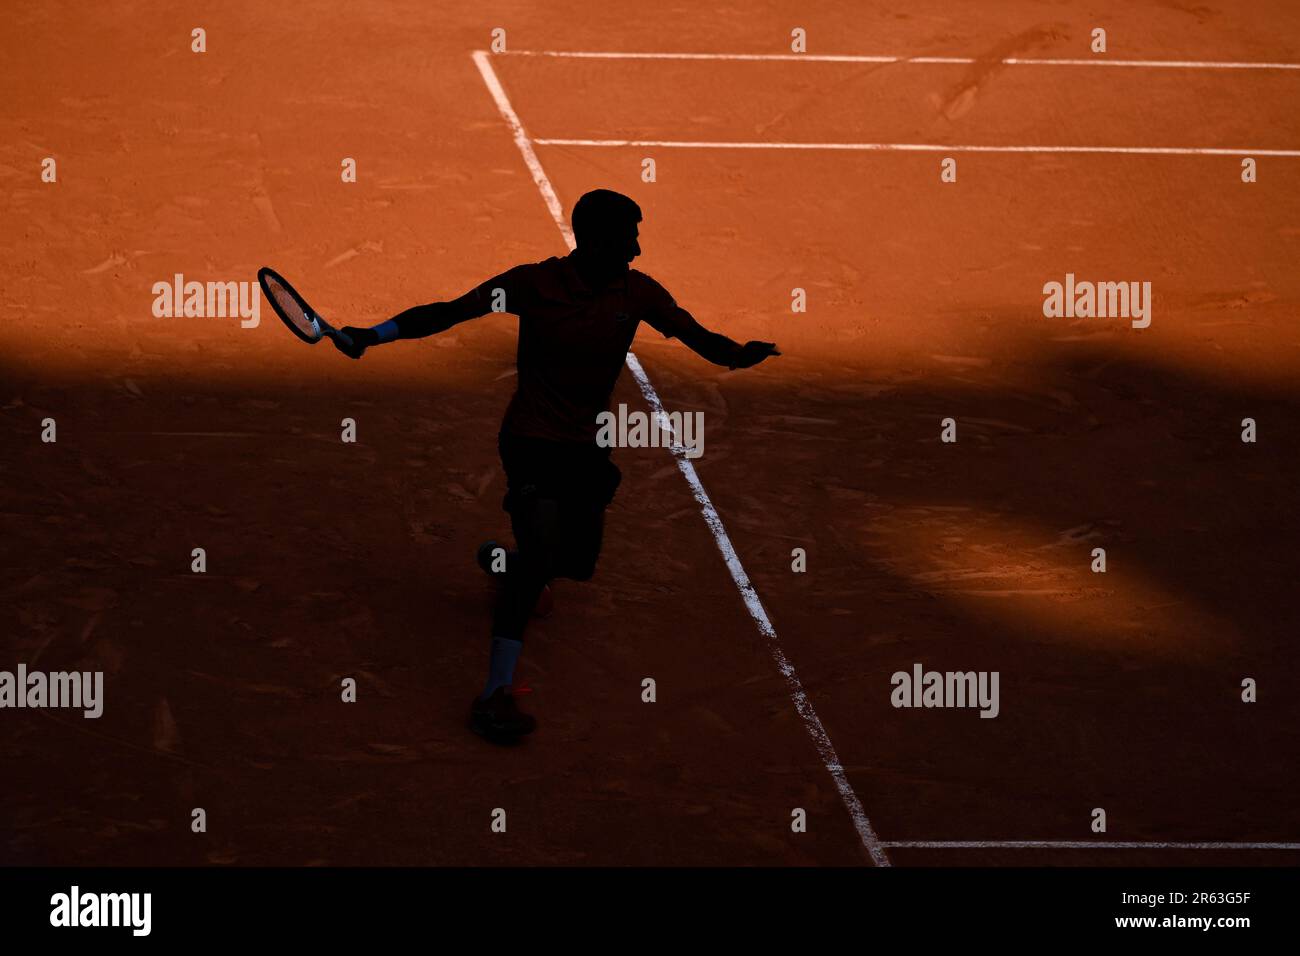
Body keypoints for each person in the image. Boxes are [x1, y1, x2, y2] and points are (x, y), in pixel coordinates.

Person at [335, 189, 779, 743]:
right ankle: (495, 693)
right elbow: (451, 311)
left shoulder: (636, 292)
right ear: (595, 242)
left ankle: (505, 565)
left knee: (576, 563)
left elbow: (698, 337)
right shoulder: (532, 285)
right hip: (531, 440)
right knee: (542, 555)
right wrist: (369, 336)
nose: (638, 249)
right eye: (628, 238)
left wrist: (739, 354)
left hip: (586, 449)